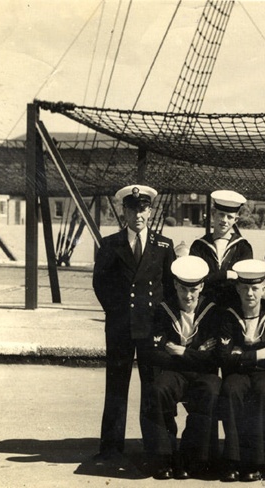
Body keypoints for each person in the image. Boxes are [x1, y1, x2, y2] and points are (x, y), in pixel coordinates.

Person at [92, 184, 176, 461]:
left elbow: (170, 289)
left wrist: (163, 324)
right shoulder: (109, 244)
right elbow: (100, 283)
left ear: (150, 211)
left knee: (152, 387)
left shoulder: (164, 245)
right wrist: (118, 313)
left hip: (152, 327)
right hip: (120, 326)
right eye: (132, 209)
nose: (137, 215)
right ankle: (111, 447)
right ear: (123, 211)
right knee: (116, 387)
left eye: (142, 209)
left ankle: (154, 446)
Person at [142, 256, 222, 480]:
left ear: (202, 286)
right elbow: (155, 354)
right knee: (158, 390)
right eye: (183, 289)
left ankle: (191, 455)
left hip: (202, 374)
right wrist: (198, 353)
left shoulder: (213, 311)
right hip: (174, 373)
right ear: (176, 285)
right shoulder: (163, 310)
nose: (188, 296)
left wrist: (180, 351)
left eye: (194, 290)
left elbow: (215, 357)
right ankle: (165, 456)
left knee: (211, 390)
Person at [217, 259, 265, 483]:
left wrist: (243, 354)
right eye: (245, 288)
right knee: (230, 389)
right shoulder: (228, 316)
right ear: (237, 288)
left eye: (255, 288)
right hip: (240, 373)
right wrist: (261, 353)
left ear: (263, 289)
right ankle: (233, 460)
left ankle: (255, 462)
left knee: (263, 392)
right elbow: (225, 357)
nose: (250, 293)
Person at [189, 190, 252, 307]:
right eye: (221, 214)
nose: (224, 220)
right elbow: (196, 279)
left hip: (233, 306)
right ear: (213, 214)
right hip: (204, 306)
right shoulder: (199, 246)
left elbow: (243, 281)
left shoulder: (243, 247)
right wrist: (225, 275)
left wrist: (212, 277)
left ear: (236, 220)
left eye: (229, 217)